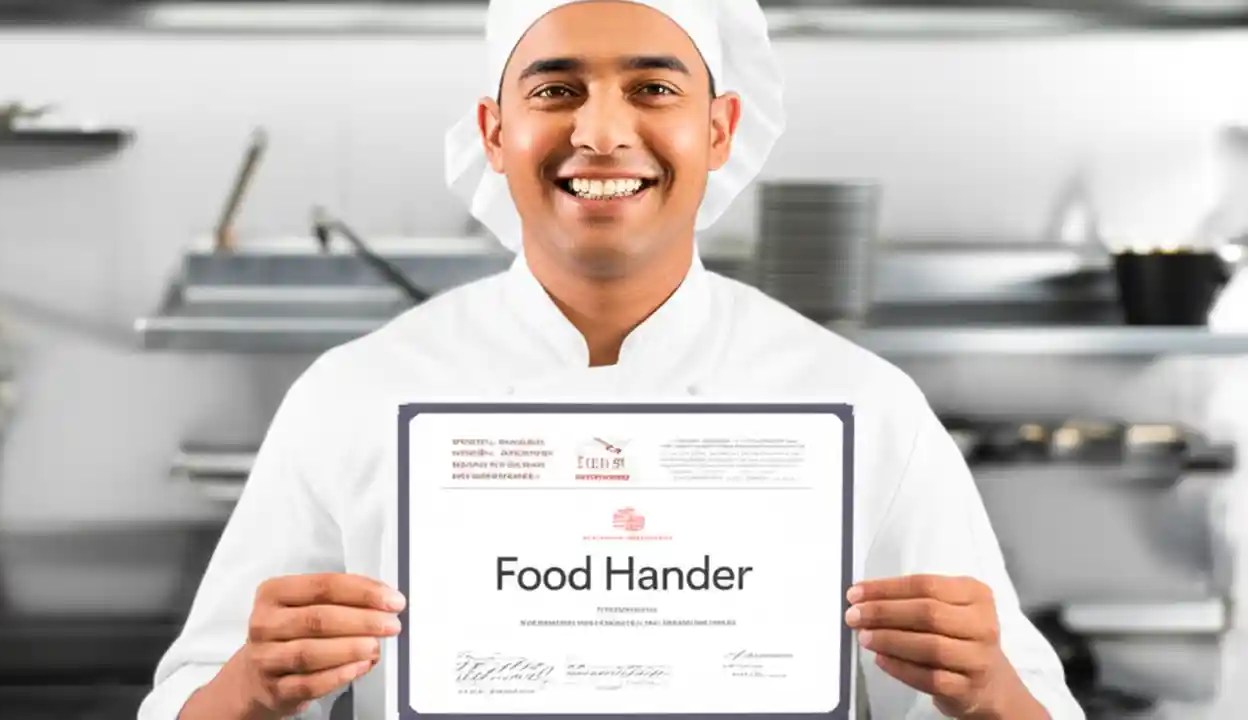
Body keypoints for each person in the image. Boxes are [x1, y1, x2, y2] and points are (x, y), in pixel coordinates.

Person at [139, 1, 1084, 718]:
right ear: (493, 132)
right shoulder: (354, 395)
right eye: (555, 90)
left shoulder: (861, 404)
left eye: (653, 88)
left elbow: (1019, 703)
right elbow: (192, 700)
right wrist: (252, 686)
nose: (600, 130)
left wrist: (989, 687)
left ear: (717, 130)